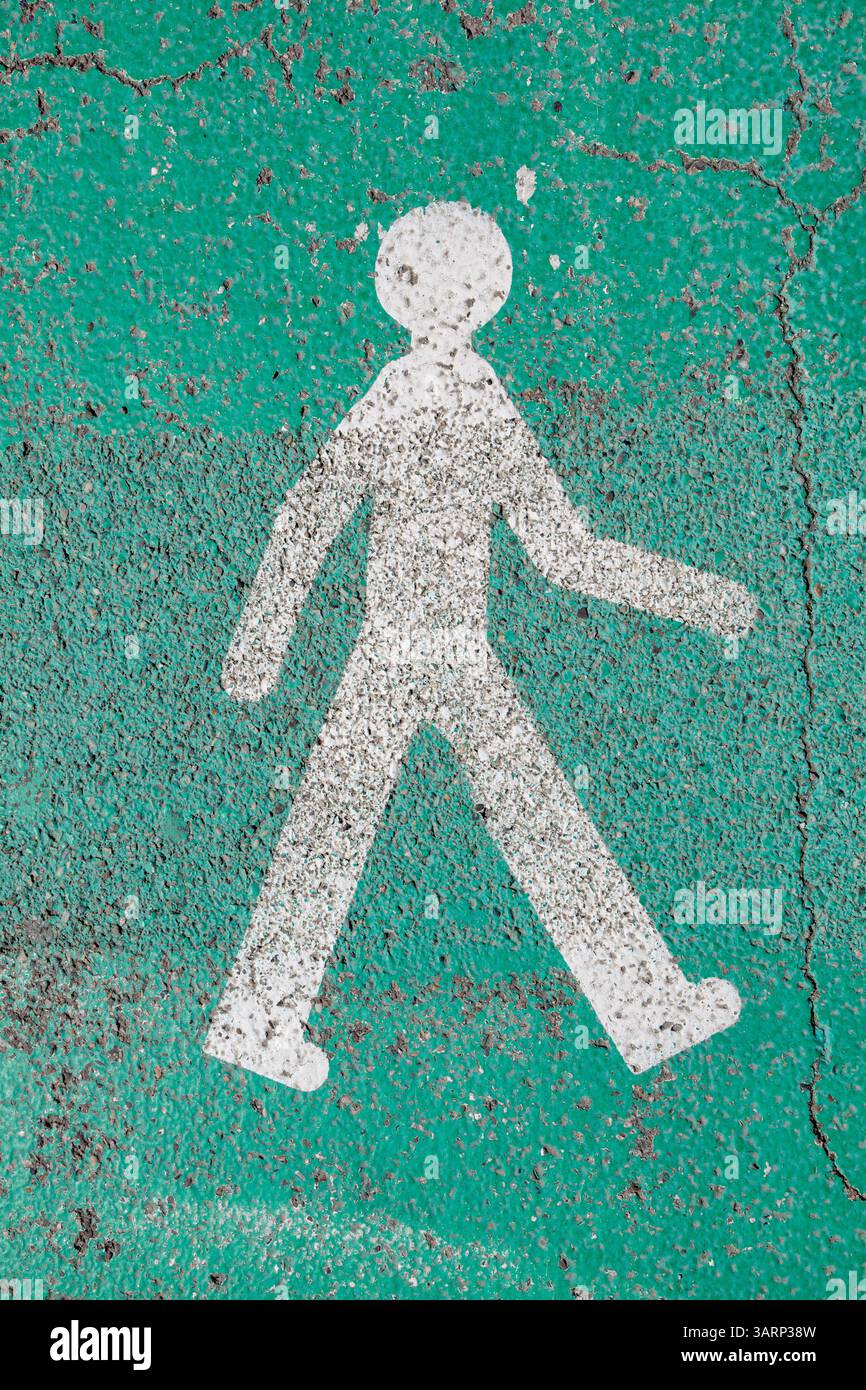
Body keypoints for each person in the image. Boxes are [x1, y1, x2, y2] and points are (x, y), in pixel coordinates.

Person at [205, 201, 756, 1090]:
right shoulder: (483, 401)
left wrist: (260, 643)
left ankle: (251, 1023)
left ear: (395, 288)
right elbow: (567, 554)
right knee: (542, 827)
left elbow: (308, 516)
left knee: (326, 840)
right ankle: (652, 1011)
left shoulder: (390, 394)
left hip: (391, 650)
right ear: (494, 293)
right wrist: (700, 597)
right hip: (452, 652)